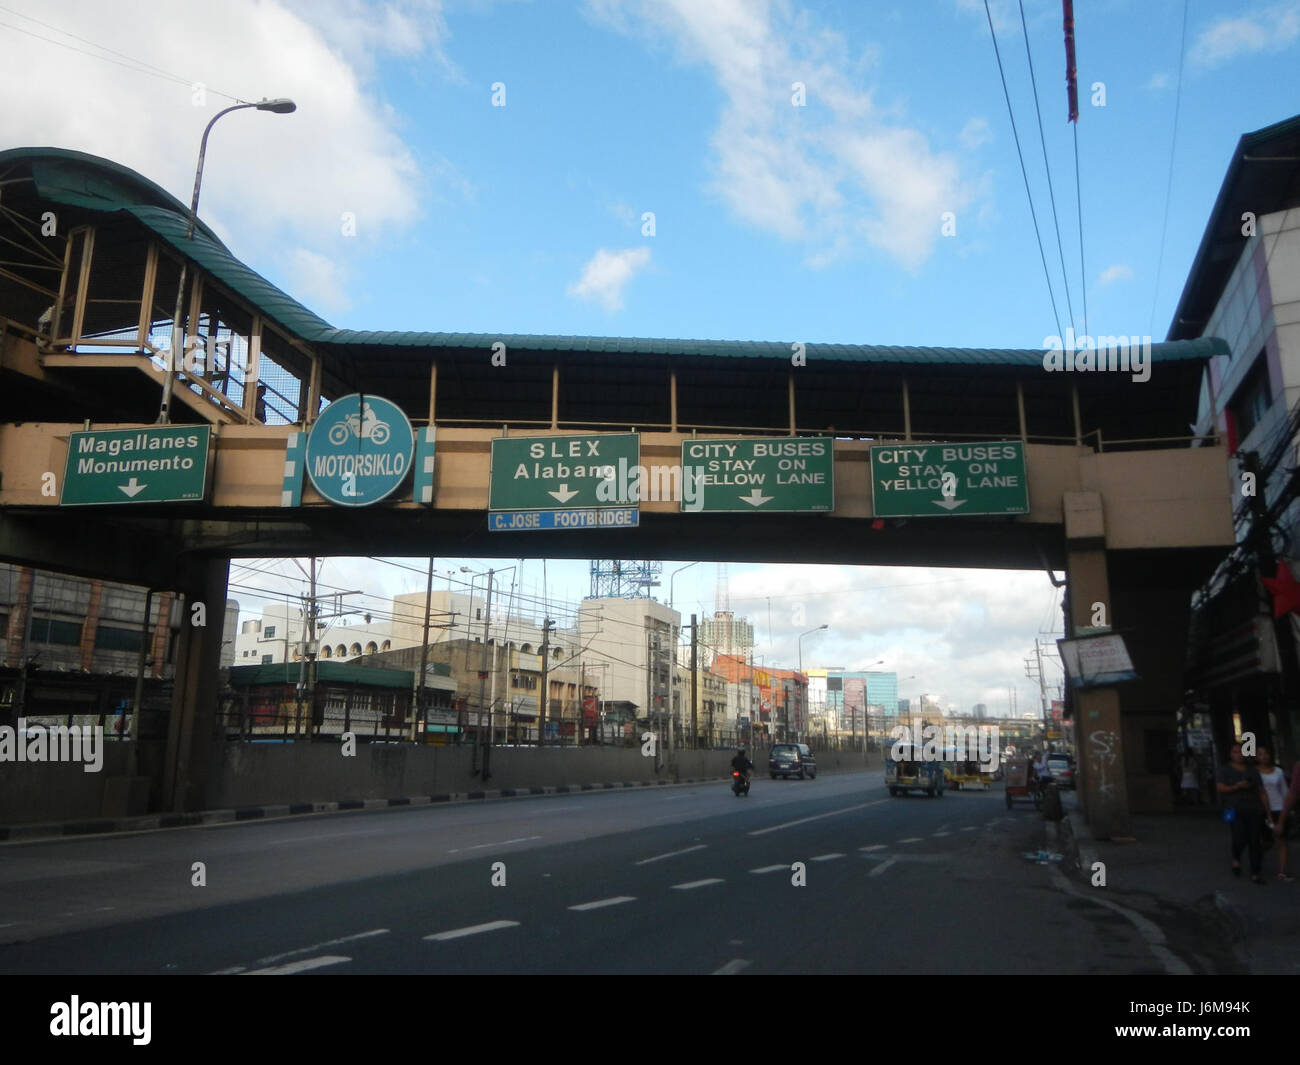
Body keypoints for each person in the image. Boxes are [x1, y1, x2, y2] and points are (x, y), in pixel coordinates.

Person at [1216, 742, 1274, 884]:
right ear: (1231, 754)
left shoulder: (1252, 771)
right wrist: (1236, 786)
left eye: (1241, 752)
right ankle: (1236, 858)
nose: (1239, 755)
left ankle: (1255, 872)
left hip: (1253, 808)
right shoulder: (1224, 770)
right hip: (1232, 808)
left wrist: (1268, 812)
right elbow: (1220, 788)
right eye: (1236, 752)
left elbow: (1261, 792)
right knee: (1238, 837)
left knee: (1254, 840)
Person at [1257, 746, 1291, 881]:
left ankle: (1282, 871)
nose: (1264, 756)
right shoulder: (1255, 773)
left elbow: (1285, 791)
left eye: (1266, 753)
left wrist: (1288, 808)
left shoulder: (1278, 771)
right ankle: (1257, 862)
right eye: (1260, 754)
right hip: (1263, 811)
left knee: (1281, 840)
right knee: (1267, 841)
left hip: (1279, 808)